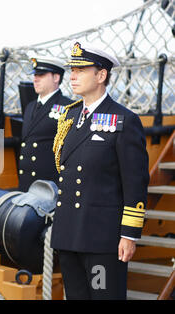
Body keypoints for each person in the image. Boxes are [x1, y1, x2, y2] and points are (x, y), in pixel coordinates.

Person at [51, 42, 149, 299]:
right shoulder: (69, 117)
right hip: (69, 234)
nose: (72, 76)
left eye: (81, 70)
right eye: (72, 69)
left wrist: (129, 234)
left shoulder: (124, 120)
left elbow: (135, 182)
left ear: (101, 75)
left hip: (101, 238)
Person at [18, 57, 73, 191]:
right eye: (35, 75)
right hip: (25, 184)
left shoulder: (67, 108)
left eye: (41, 75)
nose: (35, 79)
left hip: (48, 186)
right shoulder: (30, 106)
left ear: (56, 78)